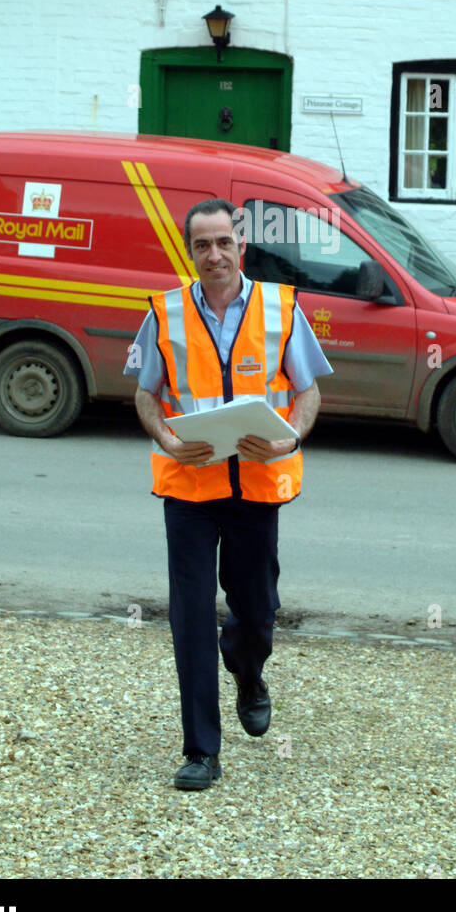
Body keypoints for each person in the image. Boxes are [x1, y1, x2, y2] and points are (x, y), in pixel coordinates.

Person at [124, 197, 333, 790]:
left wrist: (291, 436)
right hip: (189, 486)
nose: (213, 255)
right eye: (201, 245)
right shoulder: (164, 314)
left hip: (255, 486)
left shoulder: (279, 307)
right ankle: (201, 751)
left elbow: (308, 389)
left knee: (258, 608)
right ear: (189, 251)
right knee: (189, 616)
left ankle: (248, 669)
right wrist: (166, 435)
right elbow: (145, 394)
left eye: (223, 243)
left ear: (241, 244)